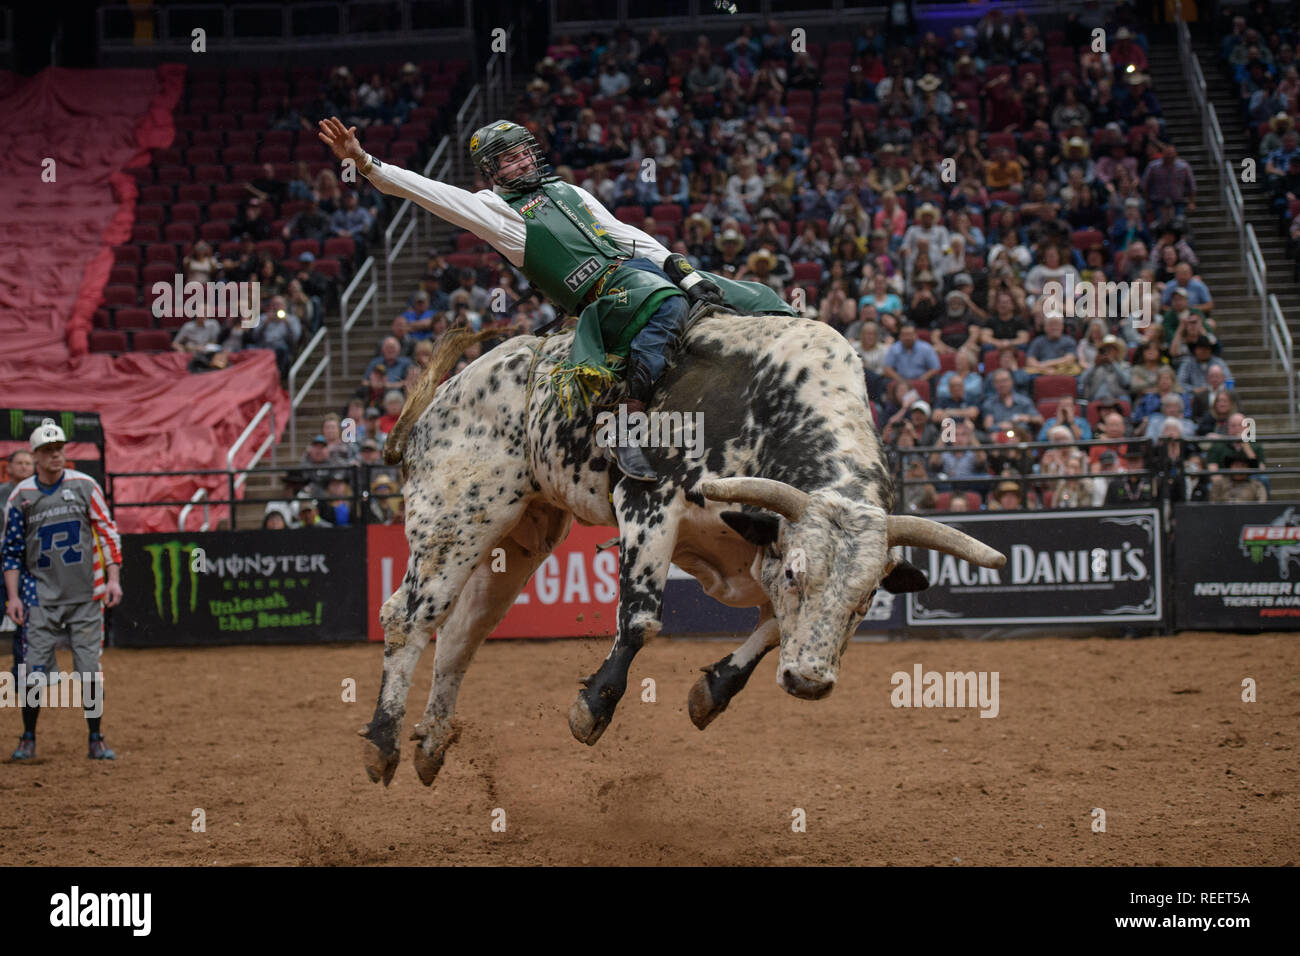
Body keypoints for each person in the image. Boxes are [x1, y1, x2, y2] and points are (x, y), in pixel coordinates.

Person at [317, 116, 794, 481]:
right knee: (665, 302)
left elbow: (624, 235)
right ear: (492, 172)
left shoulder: (567, 190)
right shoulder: (495, 211)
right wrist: (365, 163)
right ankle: (626, 425)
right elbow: (434, 194)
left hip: (638, 273)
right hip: (600, 301)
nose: (522, 162)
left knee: (751, 293)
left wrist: (685, 271)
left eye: (524, 152)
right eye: (509, 159)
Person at [3, 419, 122, 761]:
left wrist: (112, 578)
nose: (55, 455)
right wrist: (13, 597)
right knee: (32, 672)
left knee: (89, 669)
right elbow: (10, 550)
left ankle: (96, 737)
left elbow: (107, 532)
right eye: (48, 451)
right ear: (36, 456)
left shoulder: (85, 486)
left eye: (59, 449)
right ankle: (27, 737)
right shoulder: (21, 496)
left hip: (85, 594)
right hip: (39, 595)